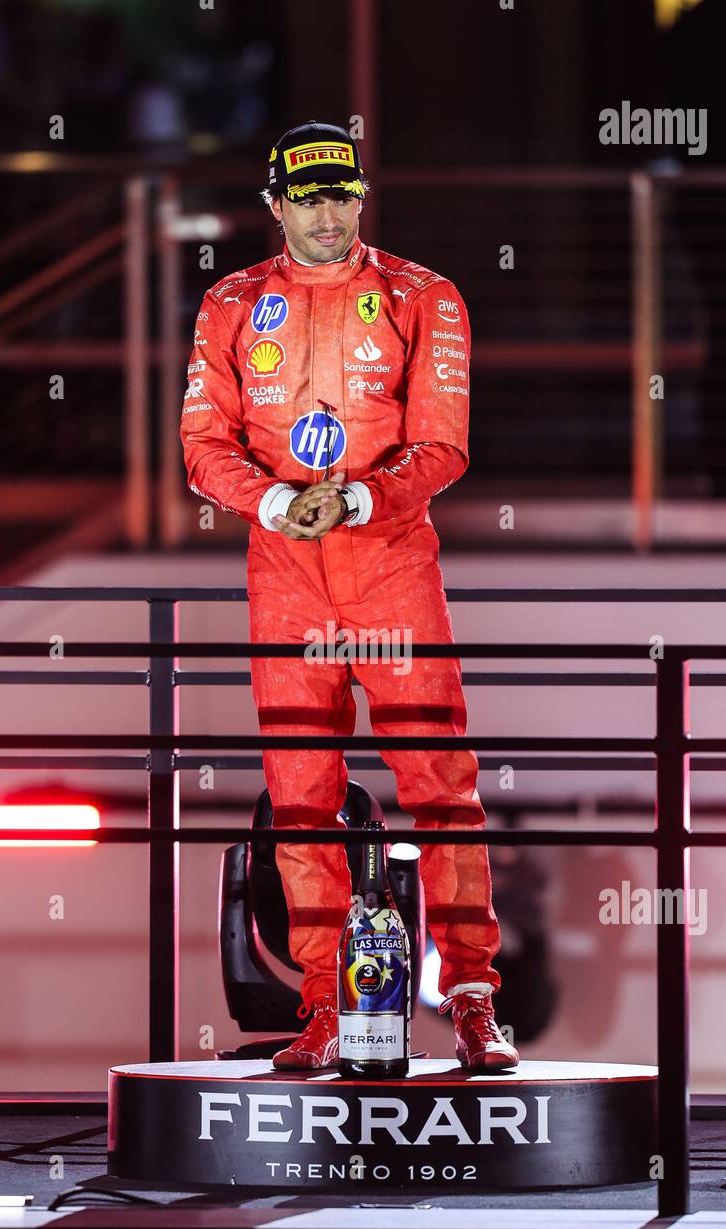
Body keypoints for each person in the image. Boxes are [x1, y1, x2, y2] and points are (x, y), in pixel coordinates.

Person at [181, 120, 518, 1072]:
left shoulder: (425, 295)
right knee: (300, 799)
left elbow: (443, 444)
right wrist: (276, 498)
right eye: (308, 198)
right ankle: (325, 1007)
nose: (326, 215)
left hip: (393, 567)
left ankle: (473, 1003)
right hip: (283, 573)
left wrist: (363, 495)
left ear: (359, 198)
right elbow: (203, 448)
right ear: (275, 205)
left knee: (442, 789)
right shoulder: (230, 302)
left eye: (342, 195)